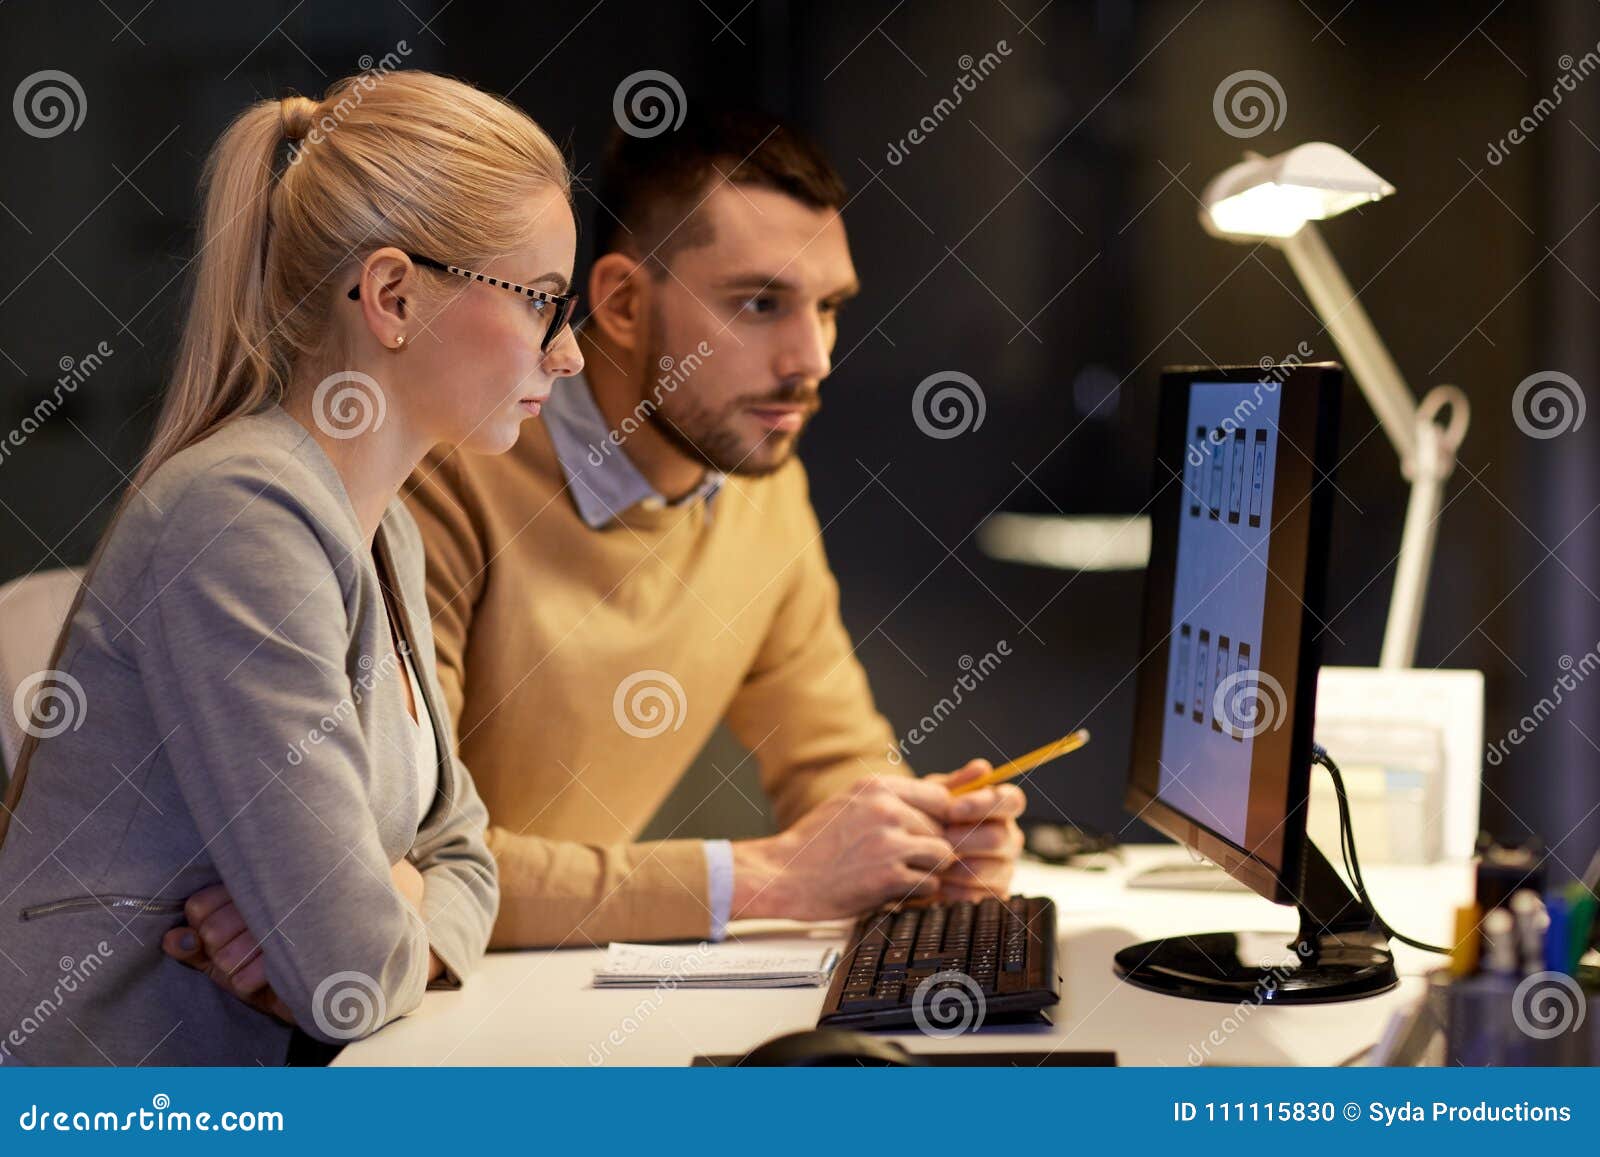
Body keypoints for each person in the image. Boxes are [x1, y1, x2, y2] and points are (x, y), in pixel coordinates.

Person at [0, 70, 583, 1064]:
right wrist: (386, 904)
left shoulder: (383, 531)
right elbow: (345, 973)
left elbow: (468, 857)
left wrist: (400, 892)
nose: (567, 355)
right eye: (542, 302)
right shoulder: (241, 521)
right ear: (392, 294)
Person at [401, 110, 1027, 949]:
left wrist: (916, 849)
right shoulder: (443, 480)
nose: (812, 359)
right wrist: (770, 876)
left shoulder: (761, 491)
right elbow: (409, 873)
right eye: (761, 303)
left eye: (830, 307)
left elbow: (834, 765)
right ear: (622, 302)